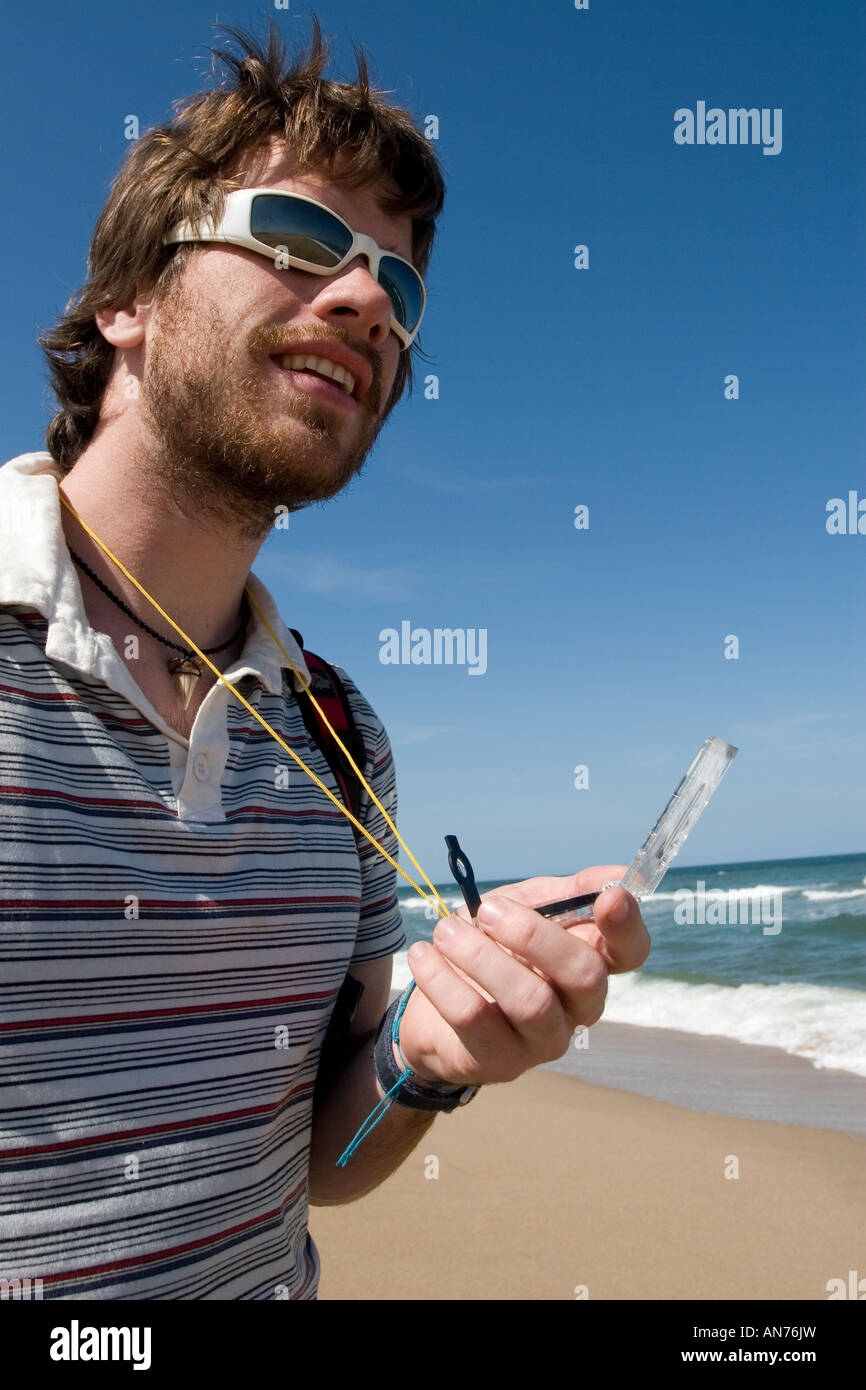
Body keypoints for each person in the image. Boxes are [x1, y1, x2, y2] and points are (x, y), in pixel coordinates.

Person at [0, 19, 649, 1300]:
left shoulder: (341, 732)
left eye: (396, 288)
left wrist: (427, 1054)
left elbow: (324, 1158)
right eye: (297, 240)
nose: (362, 301)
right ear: (125, 300)